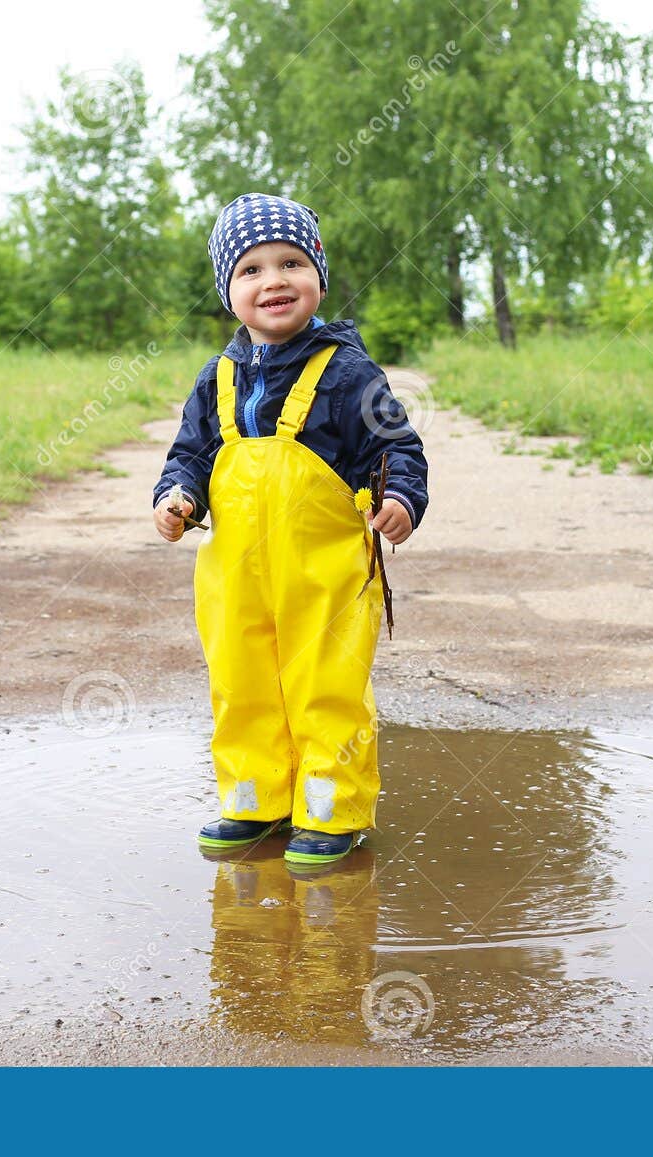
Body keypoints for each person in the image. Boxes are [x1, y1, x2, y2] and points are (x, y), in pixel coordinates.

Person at [152, 192, 429, 866]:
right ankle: (255, 799)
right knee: (241, 681)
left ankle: (334, 809)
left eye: (291, 262)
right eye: (250, 269)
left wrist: (400, 498)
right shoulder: (215, 377)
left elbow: (398, 449)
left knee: (324, 684)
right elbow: (191, 452)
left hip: (326, 575)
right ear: (228, 291)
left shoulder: (346, 372)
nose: (273, 280)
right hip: (236, 576)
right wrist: (177, 495)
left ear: (319, 276)